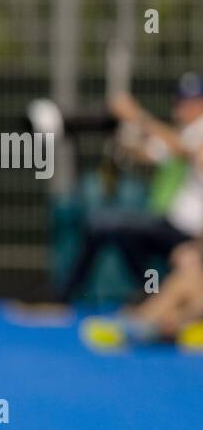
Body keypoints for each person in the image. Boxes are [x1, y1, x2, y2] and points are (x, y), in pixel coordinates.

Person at [59, 75, 203, 303]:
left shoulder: (196, 132)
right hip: (173, 224)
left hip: (191, 233)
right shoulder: (186, 131)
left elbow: (184, 149)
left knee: (108, 226)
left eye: (190, 101)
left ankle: (62, 299)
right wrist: (123, 139)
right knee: (115, 230)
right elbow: (153, 152)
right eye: (179, 100)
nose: (181, 106)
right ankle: (151, 297)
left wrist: (137, 116)